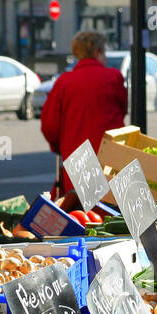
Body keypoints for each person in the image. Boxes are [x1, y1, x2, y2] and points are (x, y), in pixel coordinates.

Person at [40, 30, 126, 198]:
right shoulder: (113, 77)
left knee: (82, 215)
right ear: (97, 52)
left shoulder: (64, 82)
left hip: (77, 158)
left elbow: (49, 125)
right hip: (110, 158)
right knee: (111, 214)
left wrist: (60, 146)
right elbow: (122, 111)